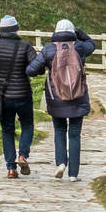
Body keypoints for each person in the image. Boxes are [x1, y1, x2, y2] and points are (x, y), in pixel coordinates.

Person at [26, 18, 96, 180]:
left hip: (55, 98)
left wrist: (44, 70)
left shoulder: (49, 49)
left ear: (56, 31)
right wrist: (80, 33)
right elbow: (93, 44)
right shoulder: (80, 47)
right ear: (72, 32)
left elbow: (31, 70)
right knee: (74, 134)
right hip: (78, 96)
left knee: (59, 131)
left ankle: (61, 164)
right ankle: (73, 174)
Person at [0, 14, 39, 179]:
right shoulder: (25, 47)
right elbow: (37, 67)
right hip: (23, 94)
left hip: (2, 97)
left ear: (1, 30)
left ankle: (11, 168)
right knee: (27, 125)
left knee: (7, 130)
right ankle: (23, 155)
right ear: (16, 29)